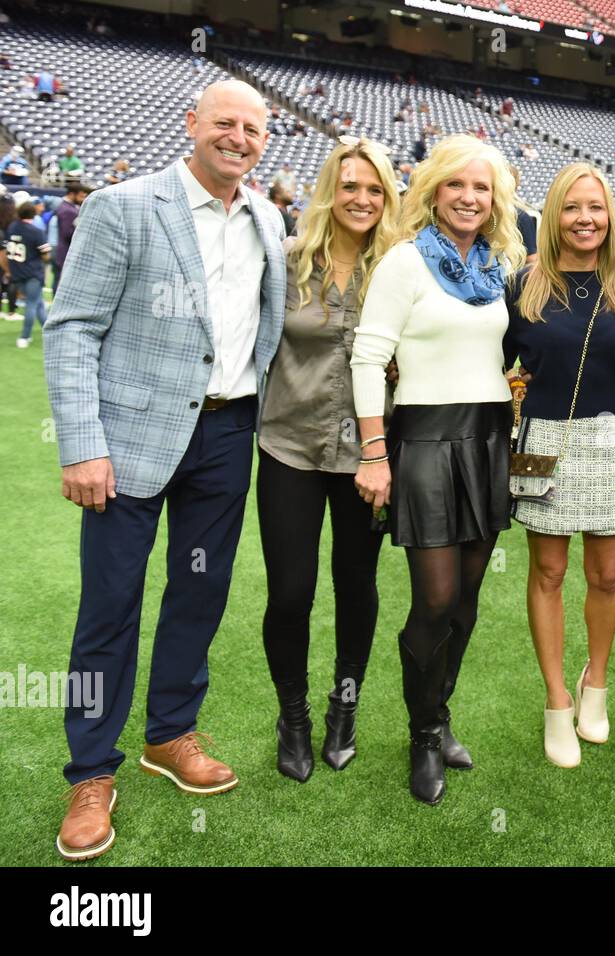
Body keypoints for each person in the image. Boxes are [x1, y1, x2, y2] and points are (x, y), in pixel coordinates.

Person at [43, 80, 285, 861]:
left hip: (227, 432)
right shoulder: (124, 206)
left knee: (199, 591)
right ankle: (90, 770)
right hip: (131, 437)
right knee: (109, 604)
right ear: (190, 124)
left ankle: (170, 734)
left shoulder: (268, 219)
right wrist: (82, 441)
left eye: (252, 128)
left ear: (264, 140)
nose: (238, 137)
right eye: (224, 122)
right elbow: (74, 326)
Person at [350, 134, 526, 805]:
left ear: (494, 199)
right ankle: (422, 735)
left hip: (487, 439)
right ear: (433, 191)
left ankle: (440, 712)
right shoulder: (403, 262)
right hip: (423, 441)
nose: (469, 198)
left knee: (468, 599)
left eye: (481, 188)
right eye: (457, 186)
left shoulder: (493, 265)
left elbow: (498, 352)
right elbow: (368, 358)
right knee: (434, 598)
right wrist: (373, 453)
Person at [259, 138, 400, 782]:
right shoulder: (286, 262)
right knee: (290, 591)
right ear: (329, 191)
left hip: (367, 456)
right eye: (350, 187)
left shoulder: (400, 268)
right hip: (289, 446)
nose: (362, 200)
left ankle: (344, 707)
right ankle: (293, 716)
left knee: (356, 584)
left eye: (375, 190)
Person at [504, 162, 615, 768]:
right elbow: (489, 360)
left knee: (607, 575)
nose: (584, 219)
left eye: (596, 207)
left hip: (614, 437)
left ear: (610, 217)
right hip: (540, 441)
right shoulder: (522, 287)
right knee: (549, 572)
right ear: (553, 216)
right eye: (571, 207)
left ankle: (597, 683)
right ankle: (556, 700)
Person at [1, 200, 51, 347]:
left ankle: (49, 332)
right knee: (32, 304)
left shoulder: (12, 227)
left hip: (17, 272)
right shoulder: (36, 231)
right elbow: (46, 255)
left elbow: (5, 251)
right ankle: (24, 336)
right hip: (32, 273)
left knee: (38, 303)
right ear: (34, 214)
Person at [51, 182, 86, 293]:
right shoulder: (68, 210)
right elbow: (67, 233)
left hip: (59, 249)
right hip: (63, 251)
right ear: (72, 194)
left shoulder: (64, 206)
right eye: (81, 196)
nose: (82, 199)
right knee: (61, 282)